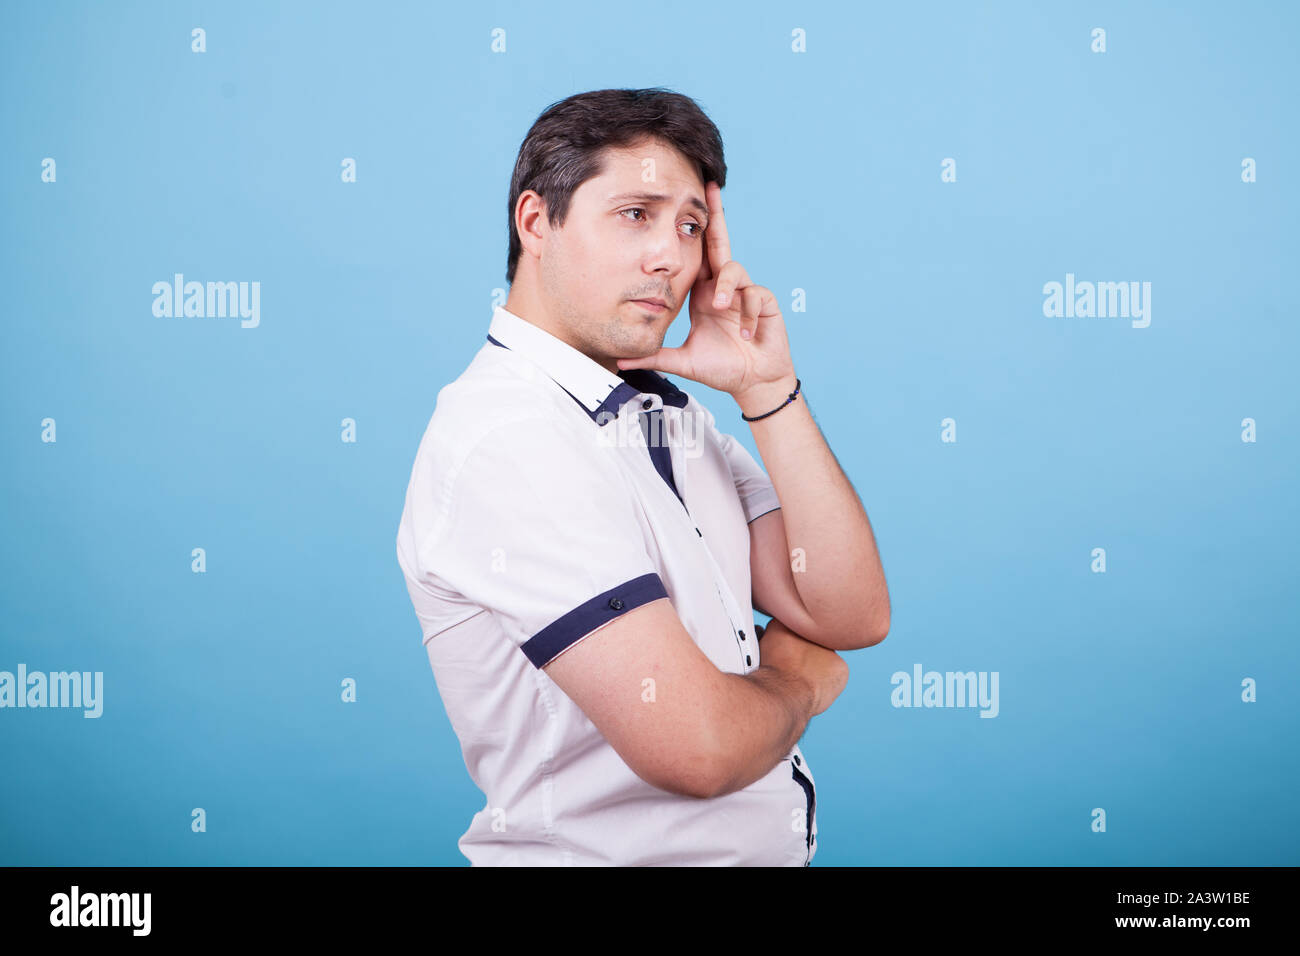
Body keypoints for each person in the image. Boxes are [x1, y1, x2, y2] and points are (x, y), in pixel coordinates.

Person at [395, 88, 890, 866]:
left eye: (691, 225)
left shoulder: (666, 419)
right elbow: (699, 748)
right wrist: (796, 680)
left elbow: (850, 611)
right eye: (635, 214)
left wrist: (767, 389)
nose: (670, 255)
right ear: (536, 222)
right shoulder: (512, 437)